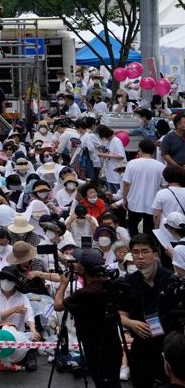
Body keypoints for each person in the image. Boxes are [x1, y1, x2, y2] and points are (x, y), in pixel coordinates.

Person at [55, 247, 122, 388]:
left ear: (83, 270)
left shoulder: (85, 293)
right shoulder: (110, 286)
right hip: (114, 346)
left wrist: (63, 284)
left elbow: (58, 306)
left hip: (95, 350)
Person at [120, 233, 170, 388]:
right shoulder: (128, 282)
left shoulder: (171, 279)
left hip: (168, 347)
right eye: (135, 252)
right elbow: (121, 314)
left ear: (155, 254)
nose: (140, 257)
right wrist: (131, 323)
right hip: (141, 346)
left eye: (145, 251)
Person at [124, 138, 167, 236]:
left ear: (140, 149)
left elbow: (126, 184)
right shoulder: (160, 166)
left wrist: (124, 199)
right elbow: (164, 186)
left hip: (134, 202)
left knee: (133, 228)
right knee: (149, 230)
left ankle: (134, 244)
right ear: (154, 150)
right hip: (152, 203)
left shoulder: (131, 163)